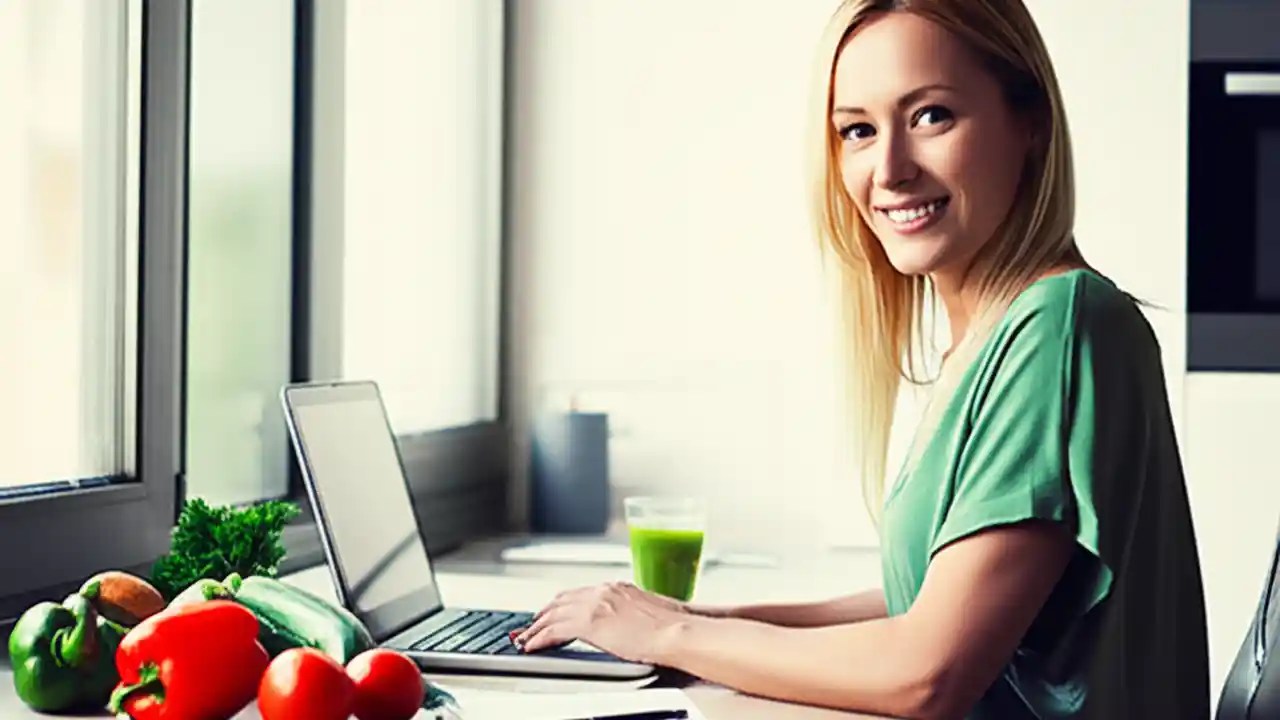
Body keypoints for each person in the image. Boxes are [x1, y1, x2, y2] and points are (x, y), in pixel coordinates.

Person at [514, 1, 1211, 717]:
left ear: (1028, 120)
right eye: (858, 130)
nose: (891, 169)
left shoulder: (1058, 326)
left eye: (931, 116)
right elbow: (934, 601)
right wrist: (707, 626)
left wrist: (674, 631)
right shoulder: (990, 339)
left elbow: (926, 674)